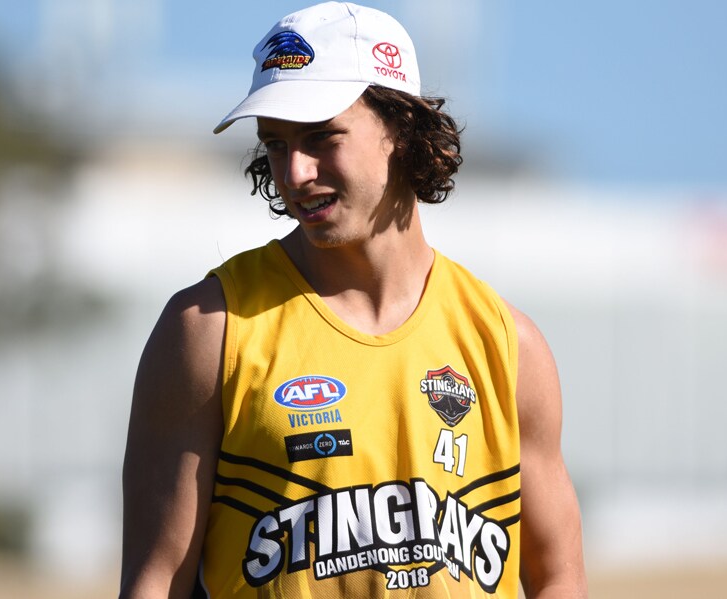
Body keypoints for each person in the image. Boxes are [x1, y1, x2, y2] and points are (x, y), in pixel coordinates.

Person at [120, 2, 586, 597]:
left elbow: (558, 577)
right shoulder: (210, 329)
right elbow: (155, 582)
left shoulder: (507, 343)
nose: (295, 171)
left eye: (321, 137)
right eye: (275, 144)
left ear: (401, 127)